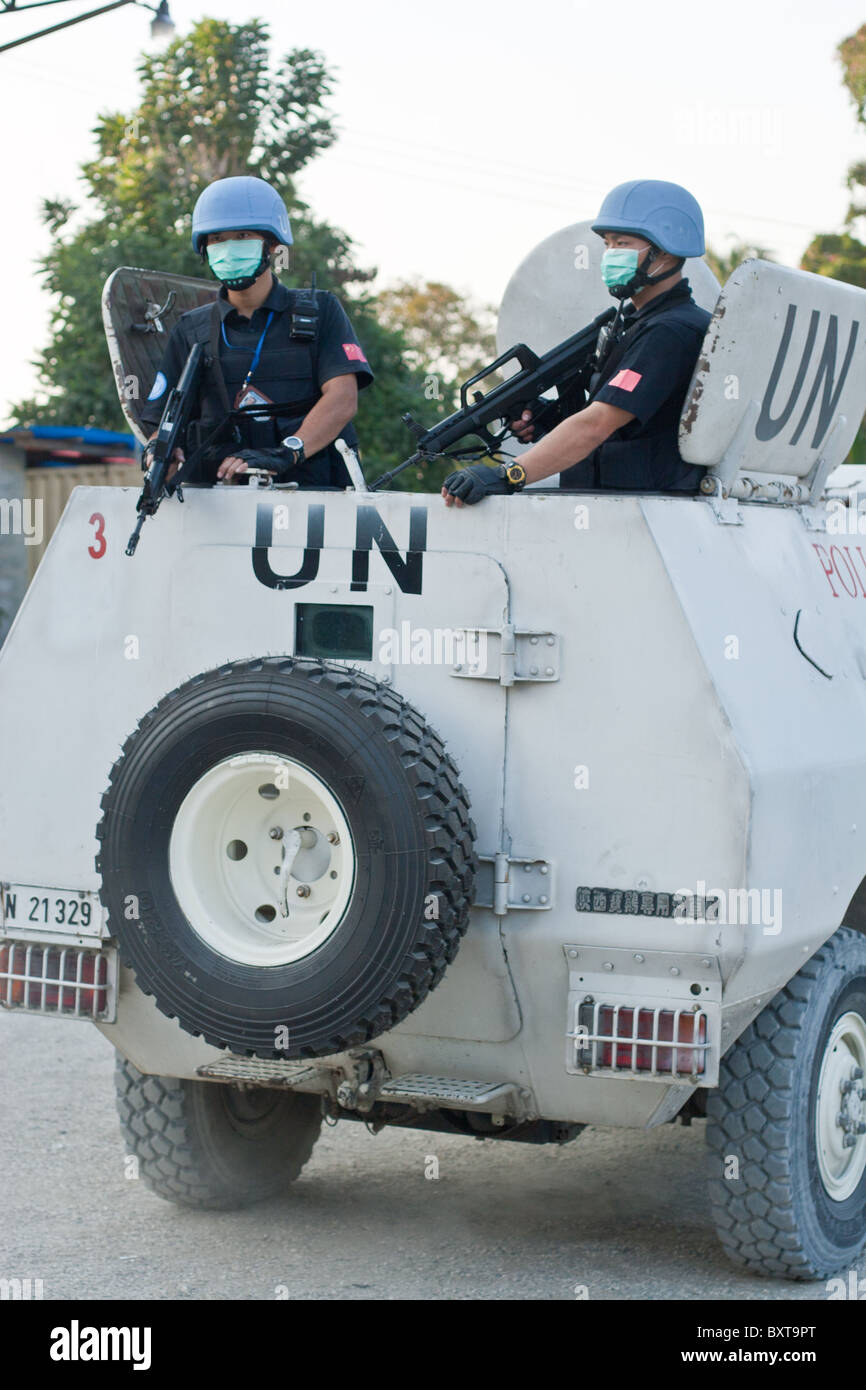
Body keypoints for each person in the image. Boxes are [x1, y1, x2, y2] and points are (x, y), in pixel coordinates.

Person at [442, 179, 711, 507]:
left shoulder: (670, 331)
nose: (610, 255)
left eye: (622, 243)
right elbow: (624, 426)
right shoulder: (635, 324)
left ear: (665, 251)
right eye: (607, 244)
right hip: (616, 506)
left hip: (643, 512)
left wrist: (508, 475)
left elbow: (597, 425)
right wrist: (546, 419)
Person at [139, 175, 373, 487]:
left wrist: (287, 452)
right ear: (204, 248)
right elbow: (163, 421)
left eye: (243, 235)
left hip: (317, 499)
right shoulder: (190, 330)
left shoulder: (320, 311)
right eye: (217, 239)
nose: (229, 248)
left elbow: (343, 398)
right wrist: (158, 452)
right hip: (217, 505)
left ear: (272, 243)